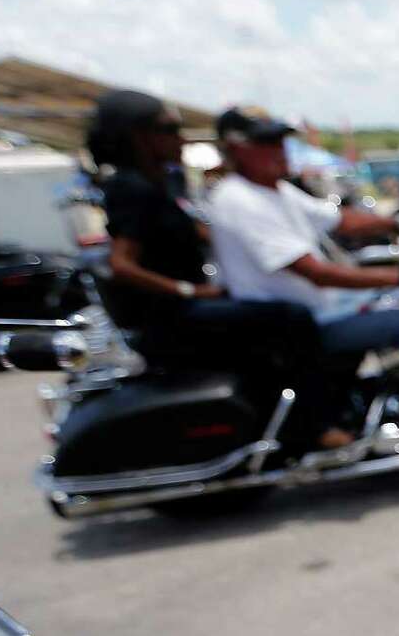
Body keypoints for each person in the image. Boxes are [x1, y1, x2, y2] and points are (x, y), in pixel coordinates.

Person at [204, 107, 399, 446]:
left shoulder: (274, 191)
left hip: (319, 310)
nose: (279, 150)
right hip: (303, 323)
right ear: (236, 149)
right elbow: (314, 272)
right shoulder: (241, 200)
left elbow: (340, 220)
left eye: (280, 140)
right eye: (266, 142)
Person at [86, 90, 354, 449]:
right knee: (293, 318)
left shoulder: (154, 185)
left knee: (271, 323)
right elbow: (121, 263)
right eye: (168, 129)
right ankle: (313, 426)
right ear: (137, 136)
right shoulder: (132, 188)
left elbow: (194, 231)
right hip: (172, 317)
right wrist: (190, 291)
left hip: (178, 311)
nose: (180, 138)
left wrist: (245, 229)